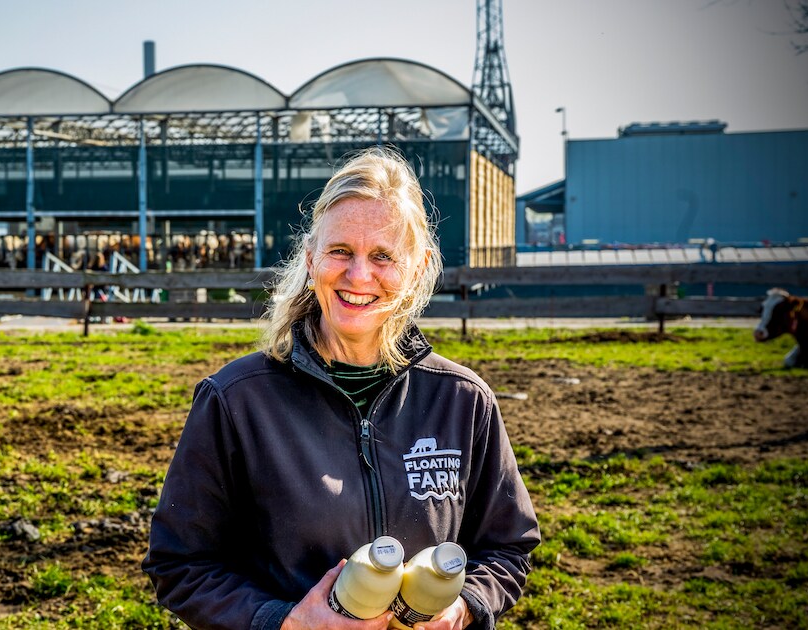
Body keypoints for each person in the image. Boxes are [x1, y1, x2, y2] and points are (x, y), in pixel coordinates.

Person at [143, 147, 540, 630]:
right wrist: (285, 622)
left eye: (383, 256)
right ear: (311, 258)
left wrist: (465, 607)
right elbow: (180, 564)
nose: (358, 276)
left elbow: (508, 546)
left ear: (418, 268)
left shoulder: (464, 401)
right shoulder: (236, 401)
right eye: (340, 251)